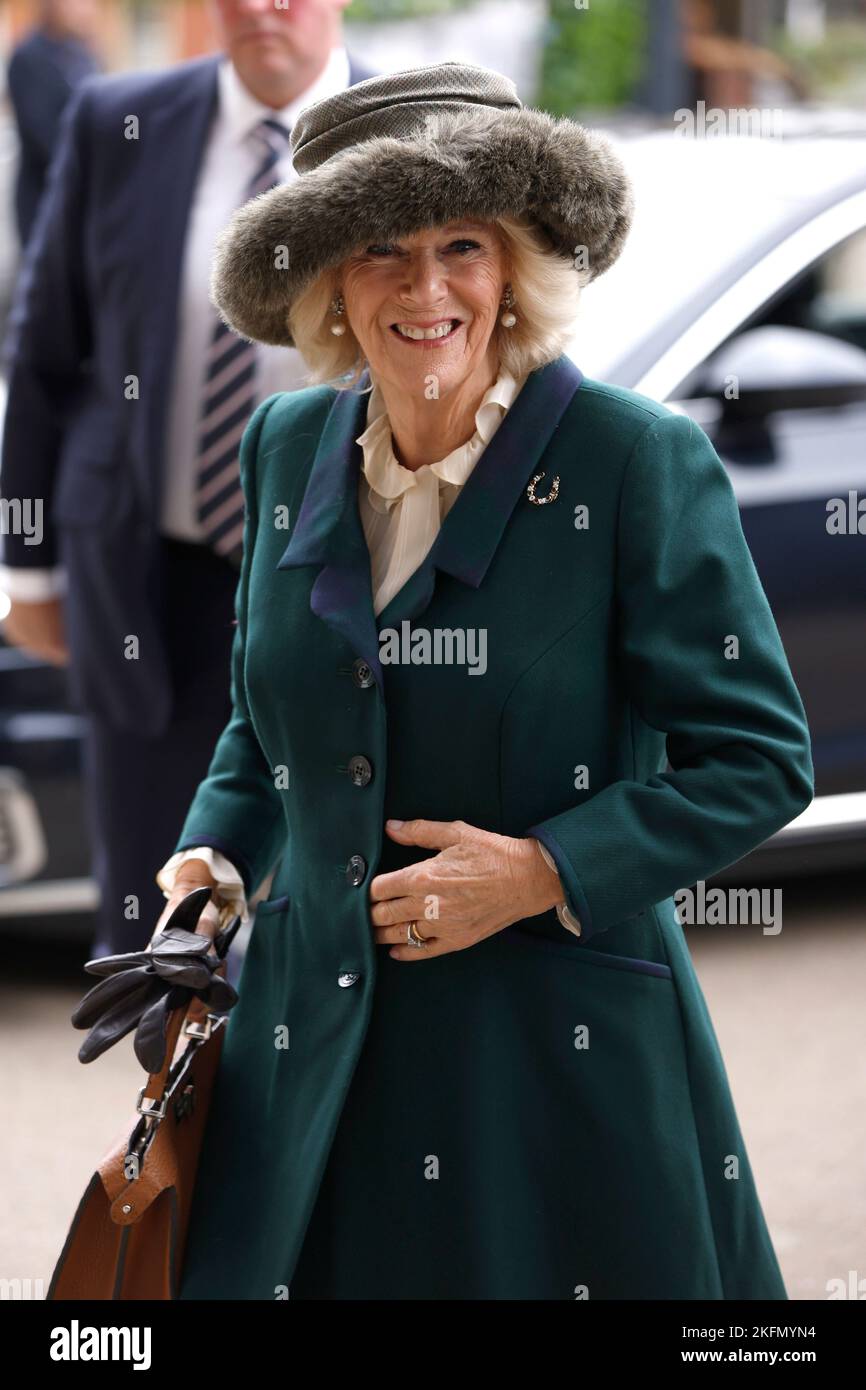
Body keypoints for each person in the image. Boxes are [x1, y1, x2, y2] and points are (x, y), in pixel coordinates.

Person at [153, 63, 813, 1300]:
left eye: (461, 243)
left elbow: (760, 760)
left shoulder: (632, 461)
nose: (424, 288)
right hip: (308, 1056)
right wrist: (215, 861)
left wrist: (540, 870)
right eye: (380, 249)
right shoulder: (284, 443)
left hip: (544, 1072)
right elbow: (268, 715)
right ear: (329, 286)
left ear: (513, 266)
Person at [0, 0, 376, 956]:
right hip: (147, 577)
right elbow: (46, 354)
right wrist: (30, 570)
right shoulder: (116, 123)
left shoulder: (411, 130)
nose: (260, 7)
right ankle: (170, 1098)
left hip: (347, 576)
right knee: (155, 916)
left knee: (332, 897)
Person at [5, 0, 102, 248]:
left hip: (81, 201)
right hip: (44, 201)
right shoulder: (29, 57)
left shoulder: (83, 55)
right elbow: (47, 136)